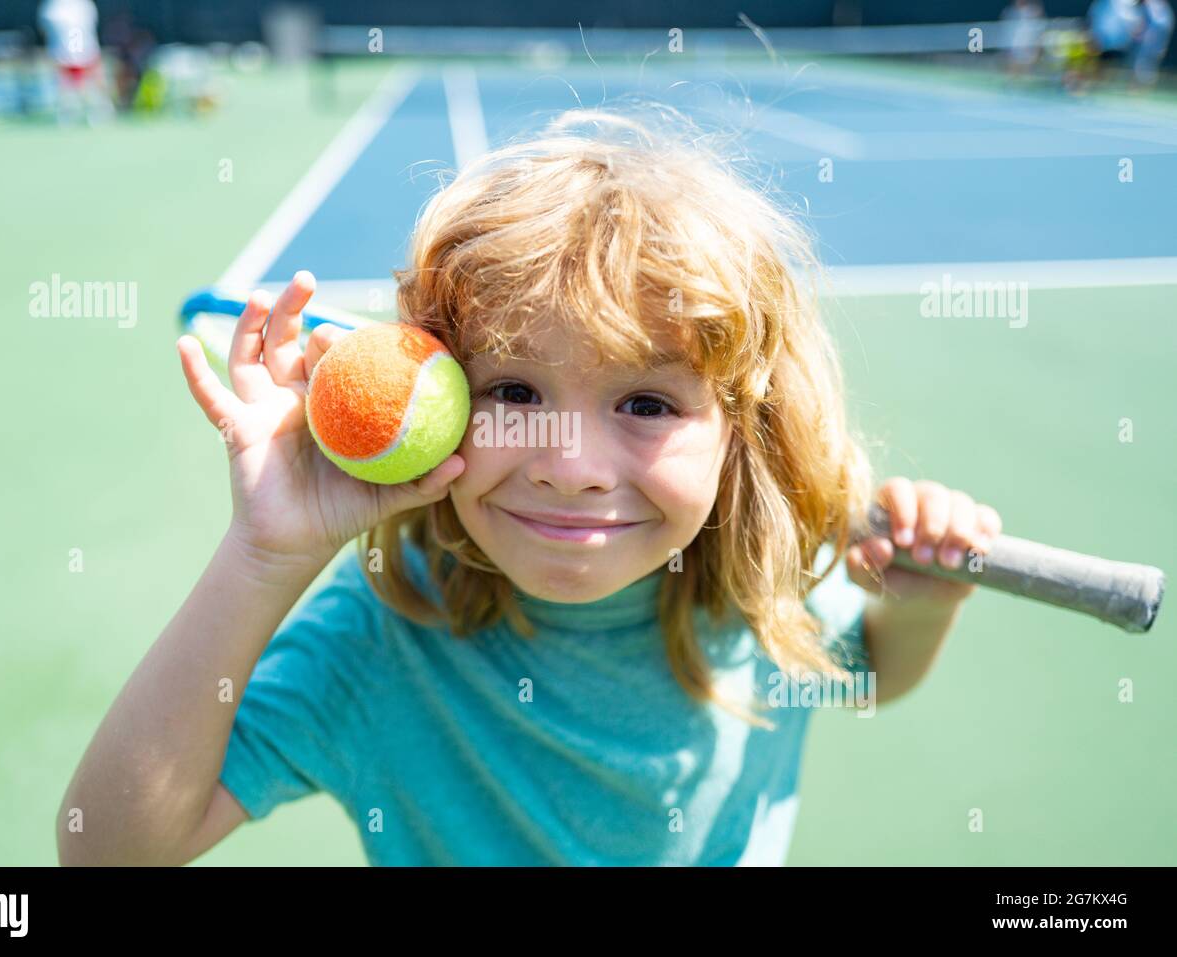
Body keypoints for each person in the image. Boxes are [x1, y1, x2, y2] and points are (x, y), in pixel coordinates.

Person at [58, 108, 1003, 867]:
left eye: (645, 401)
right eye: (513, 389)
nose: (568, 463)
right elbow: (104, 853)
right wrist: (264, 556)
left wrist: (919, 607)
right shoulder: (384, 638)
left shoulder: (763, 587)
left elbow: (867, 676)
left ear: (738, 436)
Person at [37, 0, 112, 125]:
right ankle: (69, 115)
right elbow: (48, 28)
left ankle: (99, 113)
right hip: (63, 54)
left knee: (91, 86)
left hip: (85, 52)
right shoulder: (53, 6)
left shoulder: (83, 4)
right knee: (67, 88)